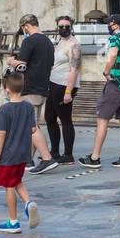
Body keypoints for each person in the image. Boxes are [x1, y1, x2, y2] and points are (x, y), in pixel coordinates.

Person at [79, 13, 120, 169]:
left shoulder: (114, 39)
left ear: (115, 25)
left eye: (109, 24)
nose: (108, 27)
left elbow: (112, 55)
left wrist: (106, 72)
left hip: (115, 84)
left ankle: (95, 157)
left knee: (102, 120)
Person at [0, 71, 41, 233]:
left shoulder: (4, 110)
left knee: (9, 186)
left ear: (7, 89)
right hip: (23, 155)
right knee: (17, 180)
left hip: (8, 155)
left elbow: (1, 134)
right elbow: (34, 129)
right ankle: (28, 203)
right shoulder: (28, 107)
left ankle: (13, 222)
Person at [10, 14, 58, 175]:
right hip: (43, 87)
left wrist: (12, 62)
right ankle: (27, 160)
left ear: (26, 26)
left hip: (30, 87)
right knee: (33, 123)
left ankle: (46, 158)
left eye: (23, 29)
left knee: (30, 126)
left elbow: (22, 66)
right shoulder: (48, 42)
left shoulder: (29, 41)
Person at [45, 15, 81, 165]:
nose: (64, 29)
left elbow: (74, 70)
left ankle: (68, 155)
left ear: (71, 27)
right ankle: (55, 151)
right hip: (53, 84)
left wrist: (68, 92)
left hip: (64, 86)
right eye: (61, 26)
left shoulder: (74, 45)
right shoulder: (60, 42)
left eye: (66, 26)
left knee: (65, 120)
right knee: (49, 117)